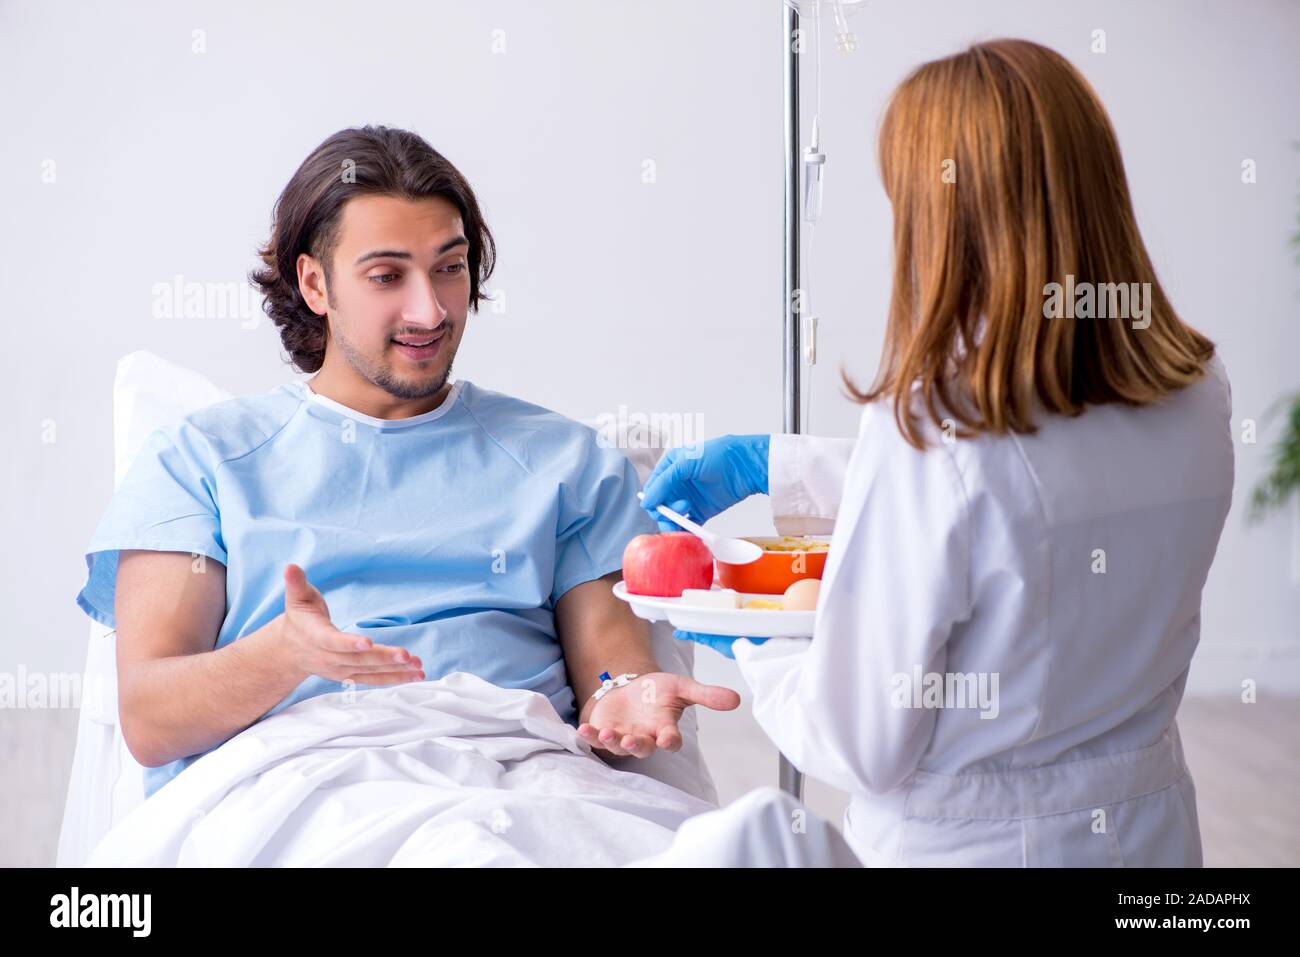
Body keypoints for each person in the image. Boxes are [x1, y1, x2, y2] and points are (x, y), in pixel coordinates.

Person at [640, 39, 1234, 867]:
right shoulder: (1194, 387)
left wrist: (760, 642)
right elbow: (1026, 511)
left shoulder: (937, 421)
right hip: (1153, 839)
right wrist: (778, 468)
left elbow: (860, 739)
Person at [76, 125, 738, 798]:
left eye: (449, 268)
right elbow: (149, 716)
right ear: (314, 283)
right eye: (388, 276)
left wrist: (623, 700)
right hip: (302, 784)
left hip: (530, 783)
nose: (430, 310)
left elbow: (611, 672)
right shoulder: (201, 459)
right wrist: (284, 655)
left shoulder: (567, 463)